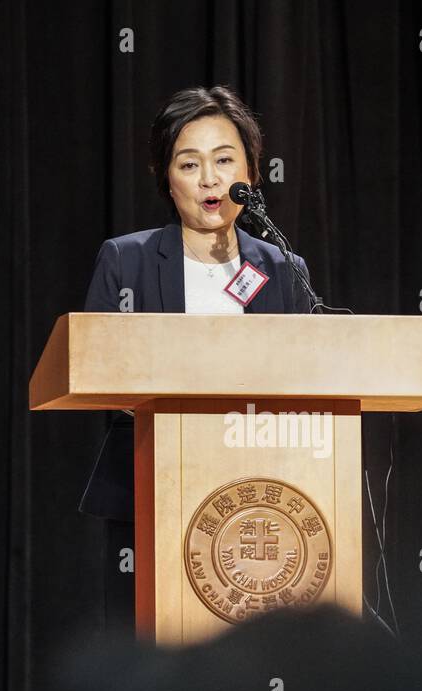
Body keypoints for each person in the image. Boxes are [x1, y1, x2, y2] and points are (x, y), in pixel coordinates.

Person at [78, 85, 315, 641]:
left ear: (251, 174)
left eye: (224, 160)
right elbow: (93, 370)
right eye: (190, 163)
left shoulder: (284, 269)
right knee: (153, 660)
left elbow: (310, 380)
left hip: (266, 500)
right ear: (166, 177)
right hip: (150, 494)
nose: (209, 178)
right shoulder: (127, 260)